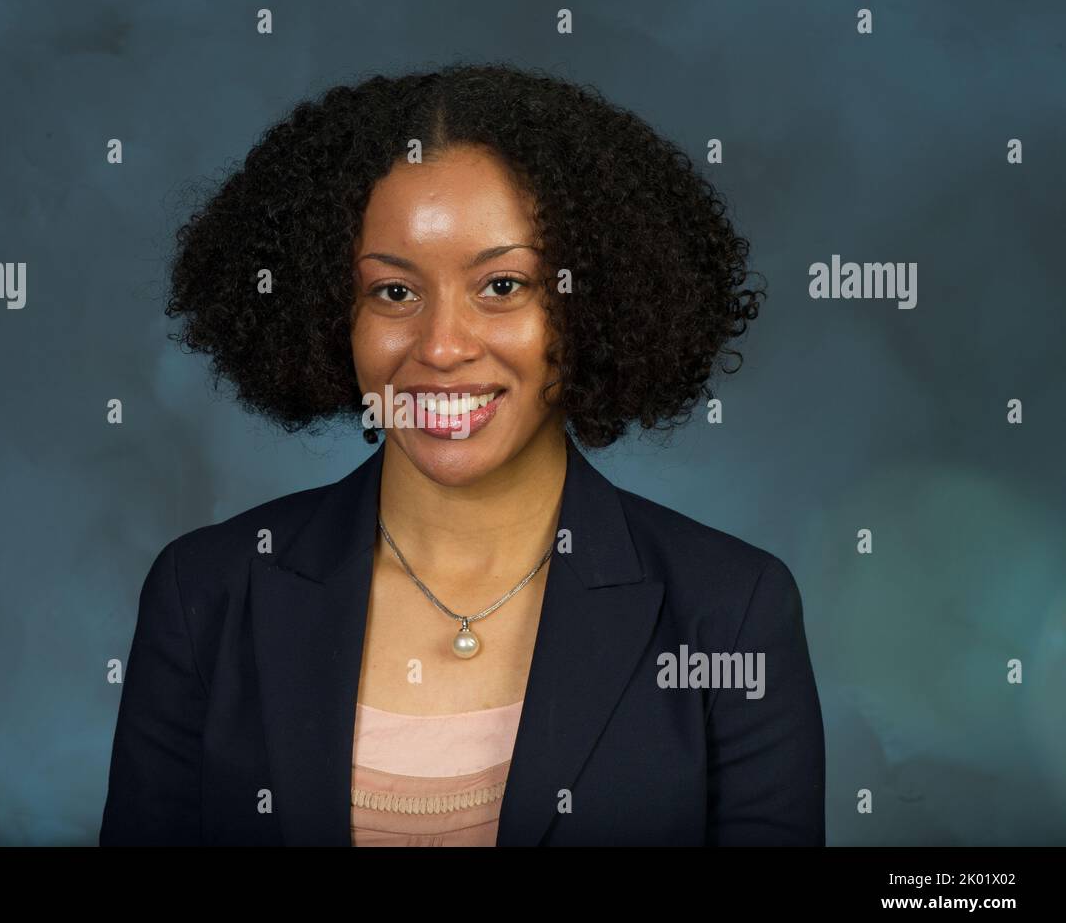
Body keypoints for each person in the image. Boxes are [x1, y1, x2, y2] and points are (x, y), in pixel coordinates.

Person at [100, 62, 825, 846]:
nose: (442, 347)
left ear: (590, 308)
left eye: (503, 285)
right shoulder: (203, 594)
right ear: (330, 315)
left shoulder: (730, 613)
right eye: (394, 292)